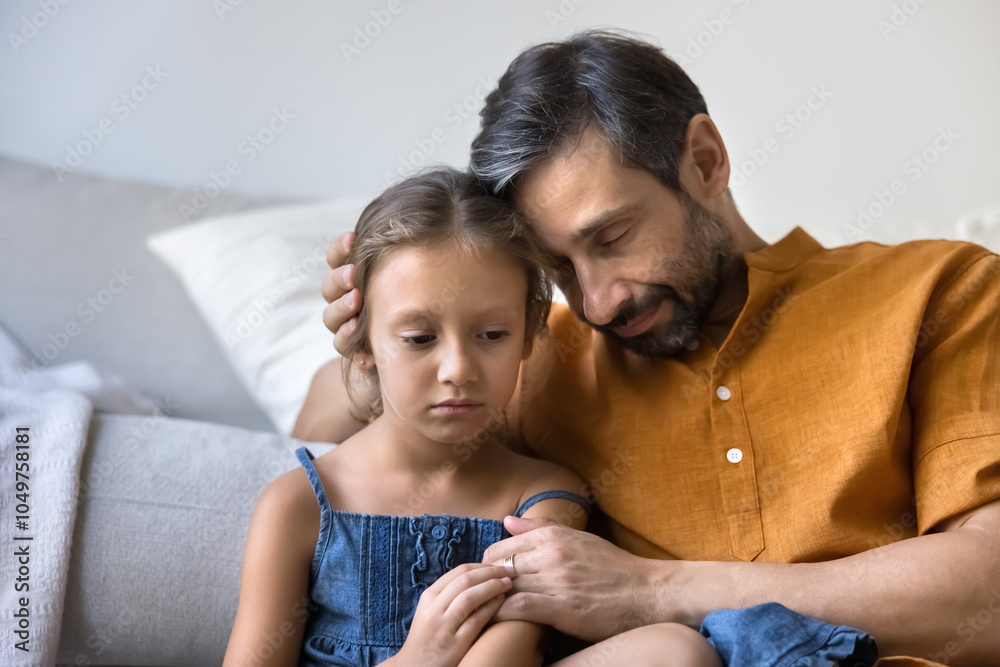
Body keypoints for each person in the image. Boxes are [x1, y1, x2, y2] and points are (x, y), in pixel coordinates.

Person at [301, 31, 1000, 666]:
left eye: (612, 238)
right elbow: (325, 441)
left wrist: (649, 589)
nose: (598, 303)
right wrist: (371, 335)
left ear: (705, 161)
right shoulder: (539, 362)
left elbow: (990, 589)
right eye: (561, 268)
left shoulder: (941, 293)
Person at [225, 167, 727, 667]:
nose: (459, 370)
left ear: (530, 330)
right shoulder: (297, 504)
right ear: (362, 344)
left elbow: (504, 657)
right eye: (420, 338)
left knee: (675, 650)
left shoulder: (543, 496)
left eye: (491, 335)